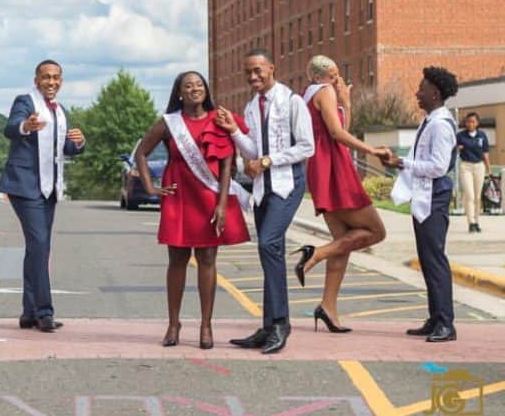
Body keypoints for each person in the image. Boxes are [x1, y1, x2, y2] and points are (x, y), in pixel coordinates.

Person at [134, 71, 250, 350]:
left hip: (209, 196)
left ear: (206, 90)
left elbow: (226, 166)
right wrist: (150, 188)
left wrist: (222, 204)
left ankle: (206, 325)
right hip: (179, 197)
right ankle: (173, 324)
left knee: (207, 259)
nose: (195, 89)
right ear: (179, 93)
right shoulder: (168, 123)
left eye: (199, 85)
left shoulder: (218, 119)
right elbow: (141, 153)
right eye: (188, 86)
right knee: (177, 259)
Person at [215, 48, 314, 354]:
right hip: (262, 188)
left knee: (268, 243)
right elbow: (251, 150)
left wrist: (268, 161)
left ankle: (281, 323)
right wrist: (234, 133)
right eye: (248, 72)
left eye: (258, 70)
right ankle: (269, 324)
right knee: (270, 252)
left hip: (287, 183)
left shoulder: (292, 102)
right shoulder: (250, 107)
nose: (253, 76)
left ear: (272, 68)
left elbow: (307, 147)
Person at [290, 56, 388, 333]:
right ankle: (315, 253)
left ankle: (328, 308)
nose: (337, 80)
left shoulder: (312, 94)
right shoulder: (324, 92)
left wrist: (347, 101)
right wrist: (373, 151)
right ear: (319, 76)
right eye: (332, 75)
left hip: (323, 166)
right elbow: (337, 133)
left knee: (343, 243)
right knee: (376, 231)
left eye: (337, 74)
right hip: (334, 166)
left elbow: (340, 127)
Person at [0, 60, 86, 333]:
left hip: (50, 188)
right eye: (46, 77)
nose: (51, 82)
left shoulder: (60, 111)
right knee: (39, 245)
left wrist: (79, 143)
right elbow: (11, 127)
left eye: (56, 77)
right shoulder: (25, 102)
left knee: (38, 248)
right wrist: (26, 125)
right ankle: (44, 312)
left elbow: (65, 147)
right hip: (25, 186)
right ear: (36, 80)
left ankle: (28, 312)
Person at [379, 66, 460, 342]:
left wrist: (402, 162)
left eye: (422, 88)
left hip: (435, 195)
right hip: (426, 194)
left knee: (434, 259)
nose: (417, 93)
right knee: (427, 259)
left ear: (435, 93)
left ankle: (445, 324)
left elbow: (438, 167)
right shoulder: (431, 121)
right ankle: (435, 317)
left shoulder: (440, 124)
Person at [456, 112, 490, 233]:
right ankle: (471, 222)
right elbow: (453, 149)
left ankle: (477, 221)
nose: (470, 124)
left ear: (477, 123)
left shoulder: (482, 135)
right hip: (466, 166)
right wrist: (457, 149)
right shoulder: (460, 136)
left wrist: (488, 168)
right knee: (469, 195)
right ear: (465, 123)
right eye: (468, 122)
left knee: (477, 196)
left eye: (473, 122)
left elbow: (485, 153)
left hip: (479, 166)